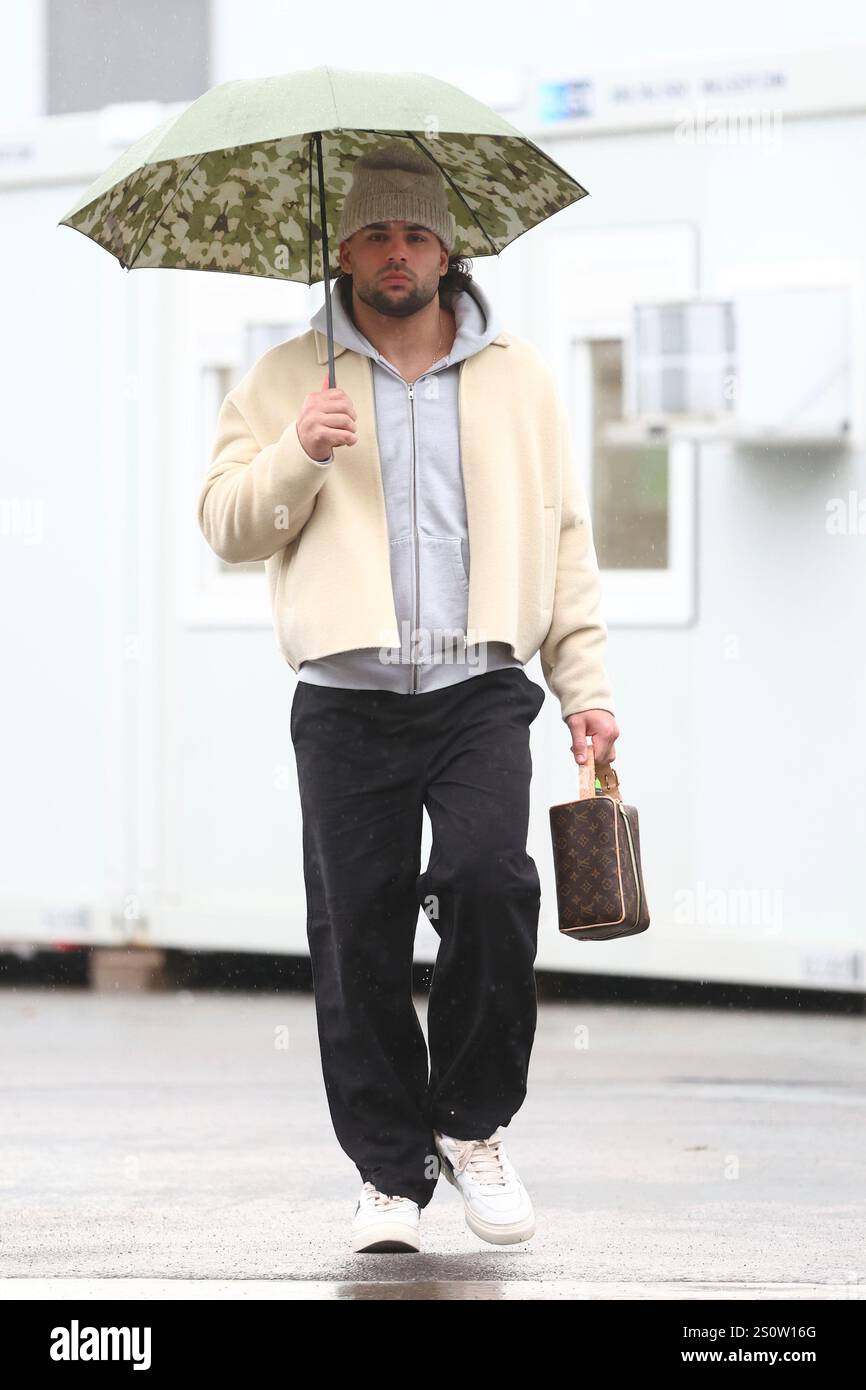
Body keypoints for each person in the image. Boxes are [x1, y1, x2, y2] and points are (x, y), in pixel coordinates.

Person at [198, 142, 620, 1255]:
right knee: (359, 939)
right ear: (342, 248)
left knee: (489, 883)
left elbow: (563, 537)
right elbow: (226, 525)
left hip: (481, 683)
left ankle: (471, 1124)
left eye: (416, 233)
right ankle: (389, 1173)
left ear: (448, 246)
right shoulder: (290, 375)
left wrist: (584, 683)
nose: (398, 252)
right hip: (346, 699)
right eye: (376, 233)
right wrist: (295, 453)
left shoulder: (519, 376)